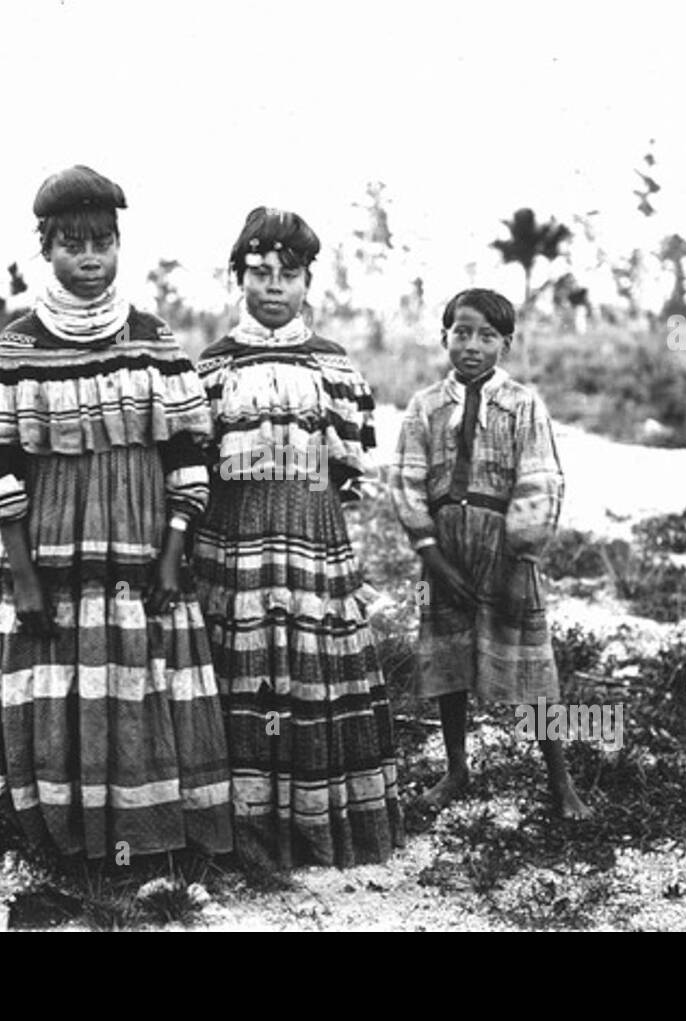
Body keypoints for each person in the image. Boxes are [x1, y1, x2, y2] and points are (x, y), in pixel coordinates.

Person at [0, 165, 232, 860]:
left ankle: (148, 833)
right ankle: (66, 829)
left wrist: (174, 548)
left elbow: (187, 449)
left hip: (141, 539)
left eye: (103, 242)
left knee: (138, 668)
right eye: (72, 243)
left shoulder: (152, 337)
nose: (89, 258)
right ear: (44, 248)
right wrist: (22, 574)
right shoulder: (19, 345)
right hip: (53, 545)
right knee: (62, 668)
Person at [192, 207, 404, 868]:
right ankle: (240, 829)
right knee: (241, 667)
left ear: (309, 280)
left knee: (312, 665)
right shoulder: (213, 367)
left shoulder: (331, 365)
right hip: (233, 541)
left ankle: (316, 824)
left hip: (312, 536)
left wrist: (305, 506)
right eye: (259, 272)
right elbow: (193, 458)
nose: (274, 286)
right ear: (239, 278)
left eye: (289, 273)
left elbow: (351, 460)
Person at [388, 288, 593, 819]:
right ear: (443, 337)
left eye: (486, 336)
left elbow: (541, 481)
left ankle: (560, 779)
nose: (471, 345)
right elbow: (407, 482)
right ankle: (456, 768)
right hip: (445, 550)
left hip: (504, 553)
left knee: (533, 668)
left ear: (506, 342)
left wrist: (516, 555)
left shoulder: (523, 405)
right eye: (461, 333)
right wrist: (432, 555)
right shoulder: (425, 407)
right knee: (447, 658)